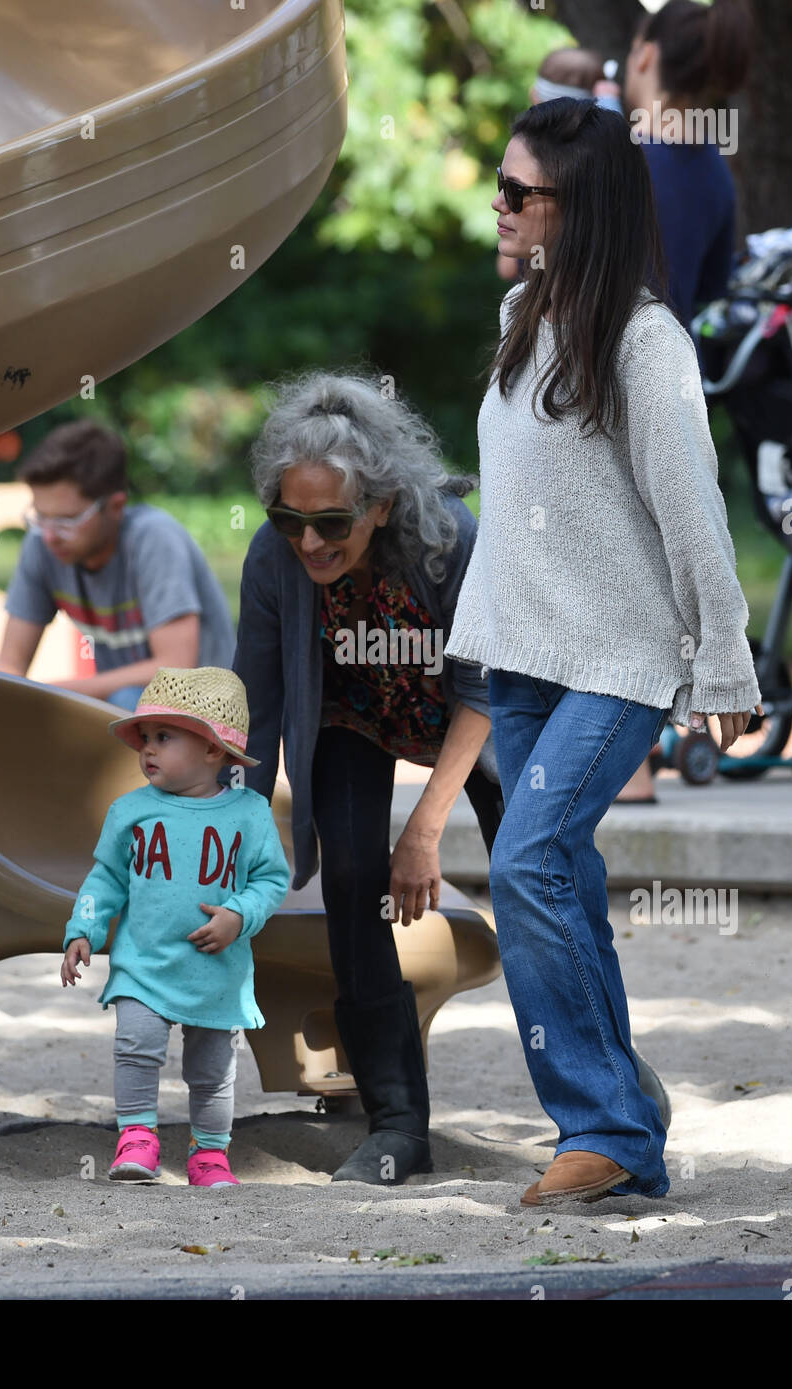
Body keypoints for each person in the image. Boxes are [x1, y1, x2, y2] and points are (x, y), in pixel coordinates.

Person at [446, 97, 762, 1206]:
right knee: (560, 879)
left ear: (574, 211)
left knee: (527, 859)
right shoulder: (519, 317)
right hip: (527, 653)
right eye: (500, 183)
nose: (498, 205)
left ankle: (606, 1129)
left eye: (517, 192)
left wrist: (722, 661)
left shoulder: (646, 340)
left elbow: (692, 510)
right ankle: (624, 1101)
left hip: (623, 656)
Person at [227, 371, 504, 1185]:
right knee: (351, 882)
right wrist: (235, 839)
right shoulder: (273, 561)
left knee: (532, 880)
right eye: (290, 519)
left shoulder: (446, 540)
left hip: (471, 718)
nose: (309, 541)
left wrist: (423, 834)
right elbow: (258, 701)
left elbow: (485, 691)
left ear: (380, 504)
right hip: (355, 716)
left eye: (331, 522)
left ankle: (608, 1085)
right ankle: (398, 1129)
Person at [60, 666, 290, 1187]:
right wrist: (83, 930)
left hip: (216, 970)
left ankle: (209, 1154)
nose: (148, 749)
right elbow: (105, 880)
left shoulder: (250, 814)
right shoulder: (131, 812)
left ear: (213, 750)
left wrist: (239, 915)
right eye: (145, 737)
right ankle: (137, 1138)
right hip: (143, 965)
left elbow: (271, 880)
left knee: (212, 1073)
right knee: (136, 1046)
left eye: (165, 737)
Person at [614, 0, 753, 803]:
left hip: (610, 385)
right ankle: (640, 752)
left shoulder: (621, 162)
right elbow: (715, 293)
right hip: (679, 385)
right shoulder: (714, 171)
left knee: (613, 570)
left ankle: (625, 765)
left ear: (644, 60)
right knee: (657, 564)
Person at [0, 420, 235, 710]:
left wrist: (55, 693)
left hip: (208, 714)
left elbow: (176, 668)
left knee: (121, 705)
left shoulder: (154, 539)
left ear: (116, 506)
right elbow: (9, 665)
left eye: (67, 520)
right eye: (40, 516)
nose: (49, 535)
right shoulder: (42, 544)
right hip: (131, 708)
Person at [495, 46, 623, 285]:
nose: (499, 202)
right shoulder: (615, 165)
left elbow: (506, 267)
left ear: (535, 97)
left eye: (515, 190)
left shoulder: (527, 159)